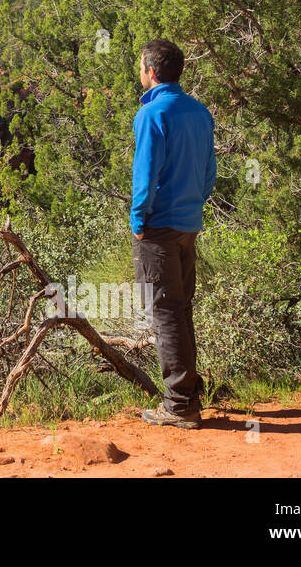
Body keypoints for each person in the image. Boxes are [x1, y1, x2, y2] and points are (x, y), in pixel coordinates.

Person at [132, 38, 216, 429]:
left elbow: (145, 176)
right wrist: (192, 205)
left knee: (164, 313)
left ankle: (180, 405)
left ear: (151, 71)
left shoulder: (151, 115)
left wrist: (138, 221)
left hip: (159, 228)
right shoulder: (200, 112)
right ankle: (189, 395)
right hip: (188, 225)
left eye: (140, 66)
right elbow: (208, 174)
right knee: (181, 310)